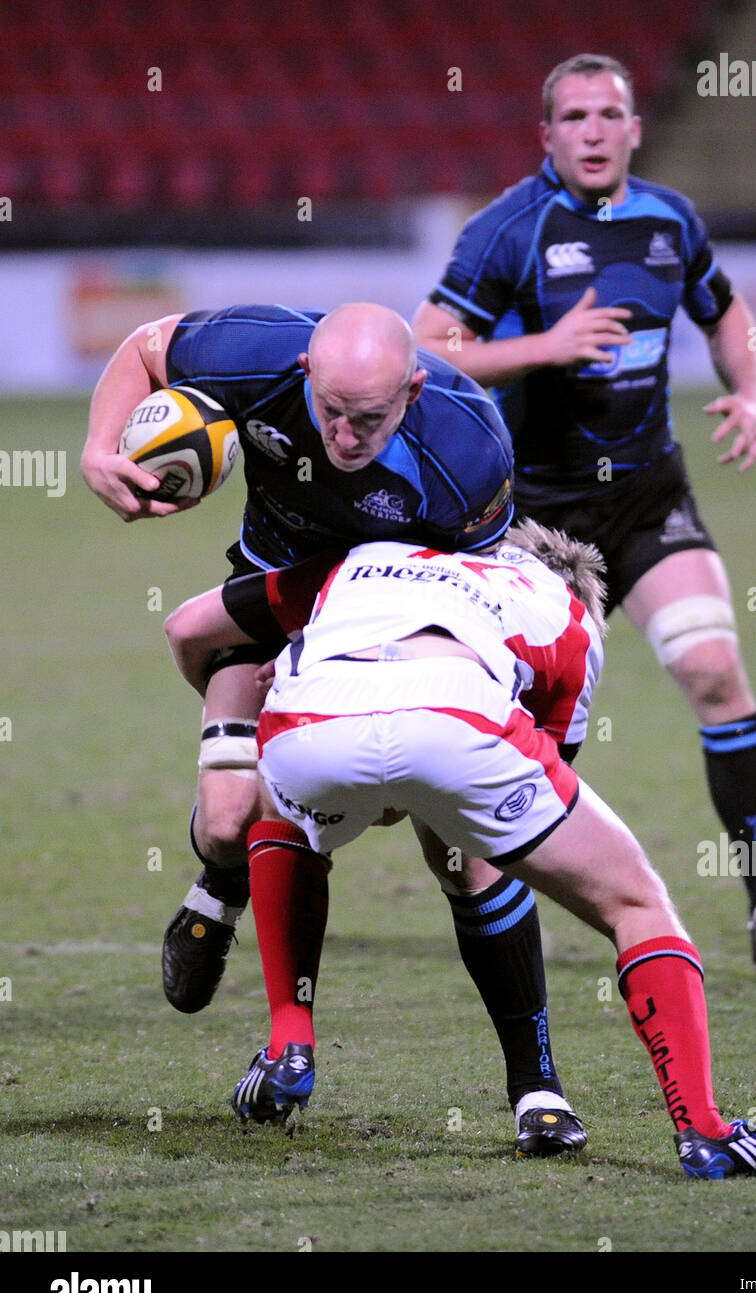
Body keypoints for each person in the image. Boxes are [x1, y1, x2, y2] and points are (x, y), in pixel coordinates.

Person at [81, 302, 582, 1156]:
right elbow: (146, 348)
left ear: (414, 388)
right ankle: (222, 882)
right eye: (331, 414)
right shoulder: (255, 354)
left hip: (398, 624)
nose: (346, 437)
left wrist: (371, 696)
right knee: (230, 819)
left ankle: (536, 1086)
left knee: (465, 853)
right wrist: (99, 450)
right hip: (274, 594)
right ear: (306, 374)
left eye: (371, 419)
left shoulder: (468, 453)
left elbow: (471, 608)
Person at [165, 529, 756, 1178]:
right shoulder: (566, 613)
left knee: (284, 816)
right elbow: (538, 780)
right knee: (633, 901)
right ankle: (702, 1130)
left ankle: (288, 1043)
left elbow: (189, 627)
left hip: (310, 718)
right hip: (455, 718)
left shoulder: (367, 556)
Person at [412, 53, 756, 974]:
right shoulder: (508, 230)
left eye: (610, 114)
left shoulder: (668, 219)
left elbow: (726, 312)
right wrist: (547, 345)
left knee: (717, 672)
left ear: (636, 129)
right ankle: (501, 907)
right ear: (547, 135)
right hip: (537, 524)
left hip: (649, 497)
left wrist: (750, 389)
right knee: (513, 725)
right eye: (575, 117)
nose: (594, 131)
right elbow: (428, 347)